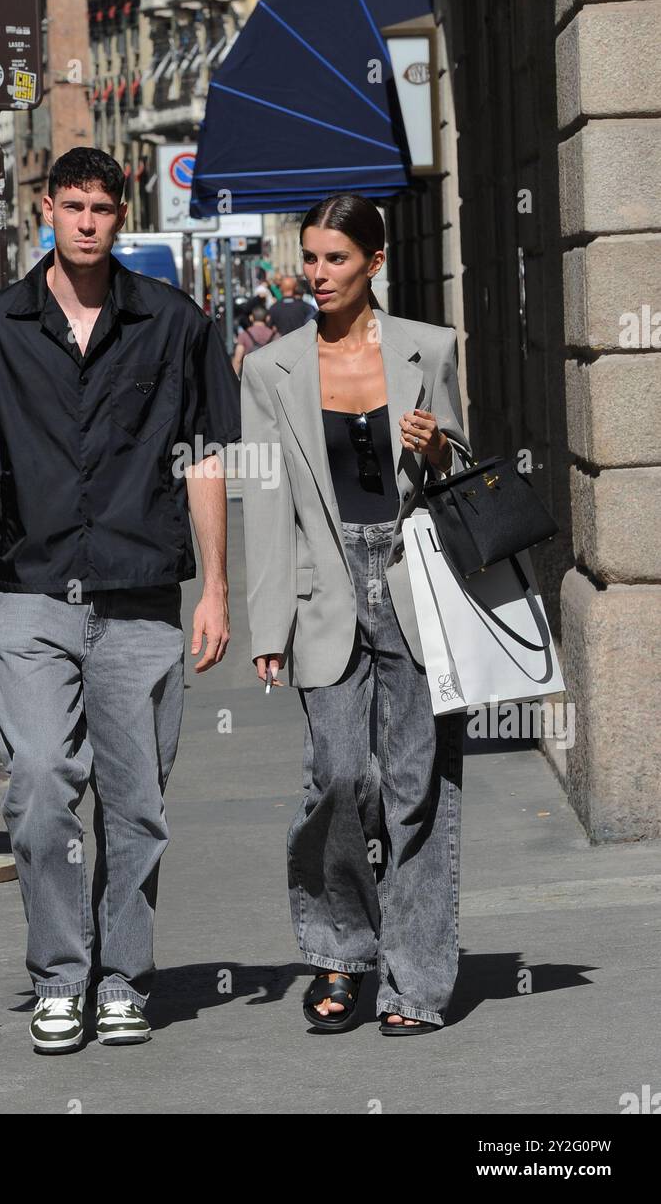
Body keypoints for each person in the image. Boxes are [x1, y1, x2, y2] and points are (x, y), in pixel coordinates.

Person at [0, 147, 241, 1053]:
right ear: (47, 211)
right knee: (38, 787)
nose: (87, 222)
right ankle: (61, 975)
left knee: (136, 805)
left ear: (120, 214)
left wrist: (217, 589)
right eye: (73, 206)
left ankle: (123, 977)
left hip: (140, 595)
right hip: (28, 595)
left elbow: (204, 458)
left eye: (102, 207)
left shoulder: (173, 323)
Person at [240, 193, 473, 1037]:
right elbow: (267, 500)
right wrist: (268, 626)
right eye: (310, 257)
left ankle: (415, 983)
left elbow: (463, 472)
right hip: (325, 588)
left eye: (335, 258)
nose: (318, 272)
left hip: (414, 583)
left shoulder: (428, 348)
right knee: (339, 777)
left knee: (418, 788)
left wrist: (437, 447)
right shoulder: (270, 368)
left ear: (374, 262)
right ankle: (341, 950)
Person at [231, 302, 275, 375]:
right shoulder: (274, 335)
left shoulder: (244, 335)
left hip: (250, 374)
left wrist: (234, 377)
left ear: (251, 318)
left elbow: (238, 359)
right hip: (269, 374)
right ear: (267, 318)